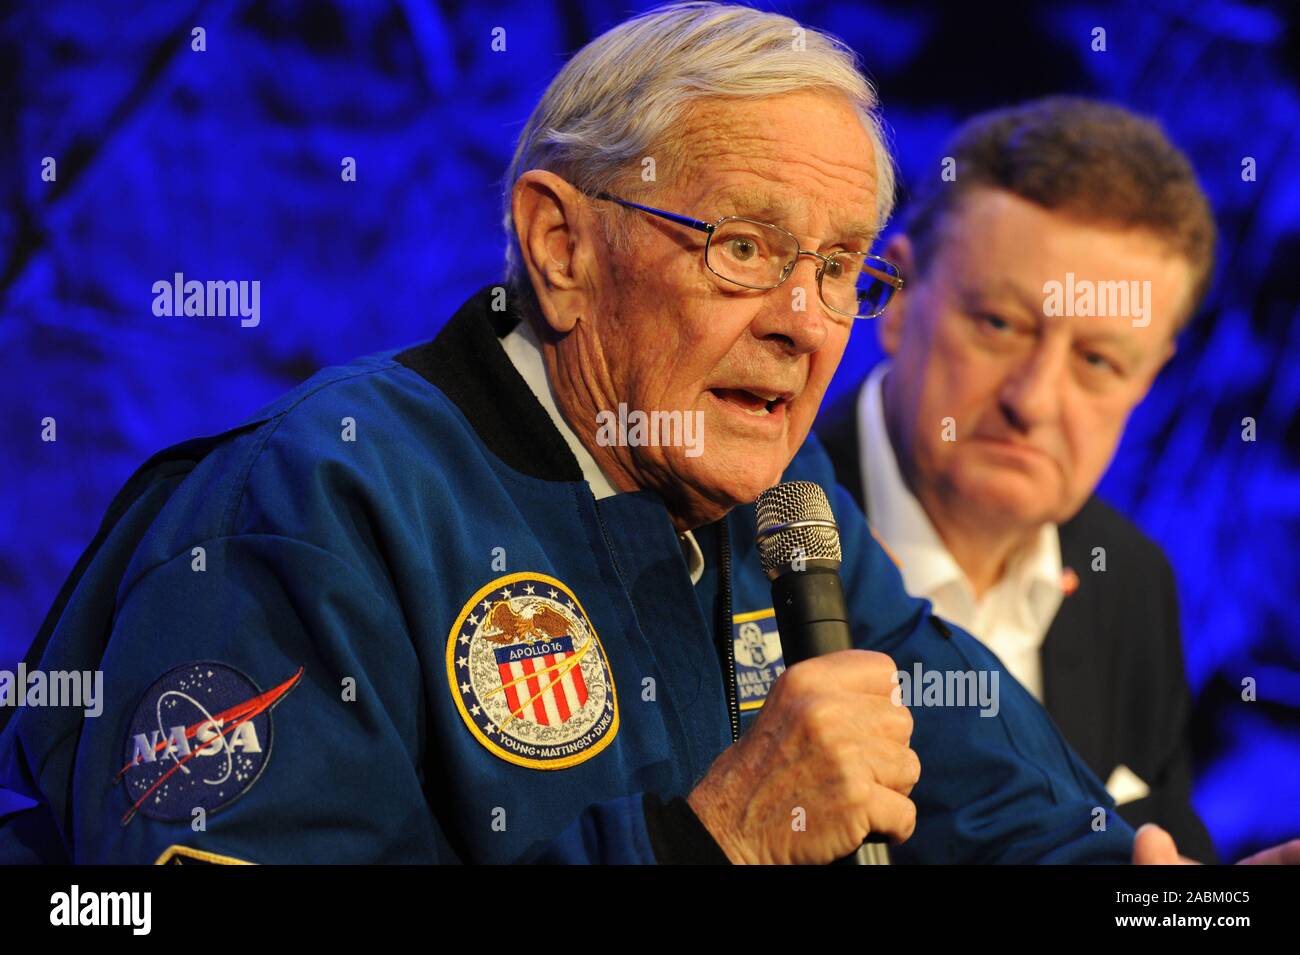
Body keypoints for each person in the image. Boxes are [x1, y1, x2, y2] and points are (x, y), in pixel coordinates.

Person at [0, 2, 1227, 865]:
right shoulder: (313, 501)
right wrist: (707, 844)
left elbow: (979, 779)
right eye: (744, 248)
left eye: (838, 269)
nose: (806, 323)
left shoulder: (786, 503)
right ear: (561, 246)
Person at [815, 97, 1218, 861]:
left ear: (1148, 378)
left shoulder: (1129, 581)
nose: (1032, 400)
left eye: (1097, 361)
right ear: (896, 296)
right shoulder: (745, 528)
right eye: (1000, 325)